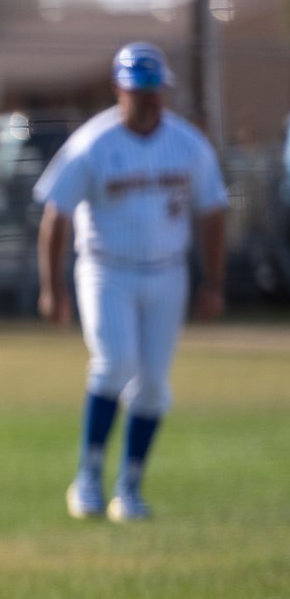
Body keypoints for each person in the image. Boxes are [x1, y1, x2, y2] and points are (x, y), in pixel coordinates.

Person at [35, 42, 228, 522]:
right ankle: (88, 479)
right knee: (115, 363)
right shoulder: (93, 145)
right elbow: (56, 216)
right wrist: (52, 288)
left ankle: (130, 488)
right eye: (139, 90)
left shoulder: (187, 145)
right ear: (119, 89)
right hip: (107, 269)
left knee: (154, 387)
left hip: (167, 271)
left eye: (155, 89)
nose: (149, 100)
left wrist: (214, 282)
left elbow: (214, 211)